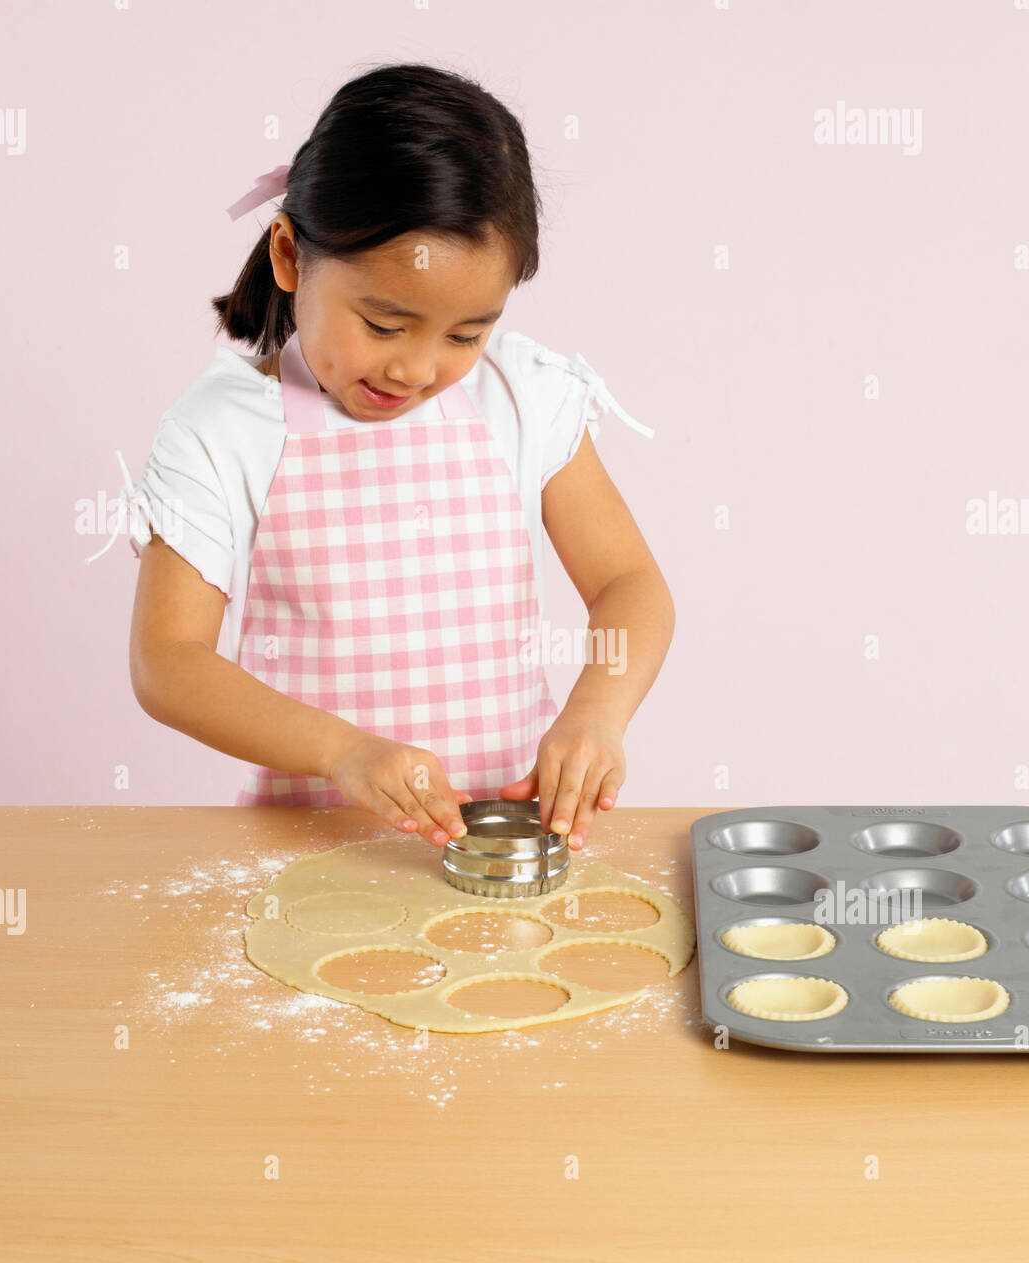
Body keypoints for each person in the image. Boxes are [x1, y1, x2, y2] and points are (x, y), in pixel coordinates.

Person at [107, 63, 673, 853]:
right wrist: (343, 751)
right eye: (382, 325)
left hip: (500, 846)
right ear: (289, 256)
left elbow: (629, 584)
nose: (416, 369)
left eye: (465, 334)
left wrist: (594, 717)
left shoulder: (521, 397)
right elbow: (168, 662)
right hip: (309, 858)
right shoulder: (225, 432)